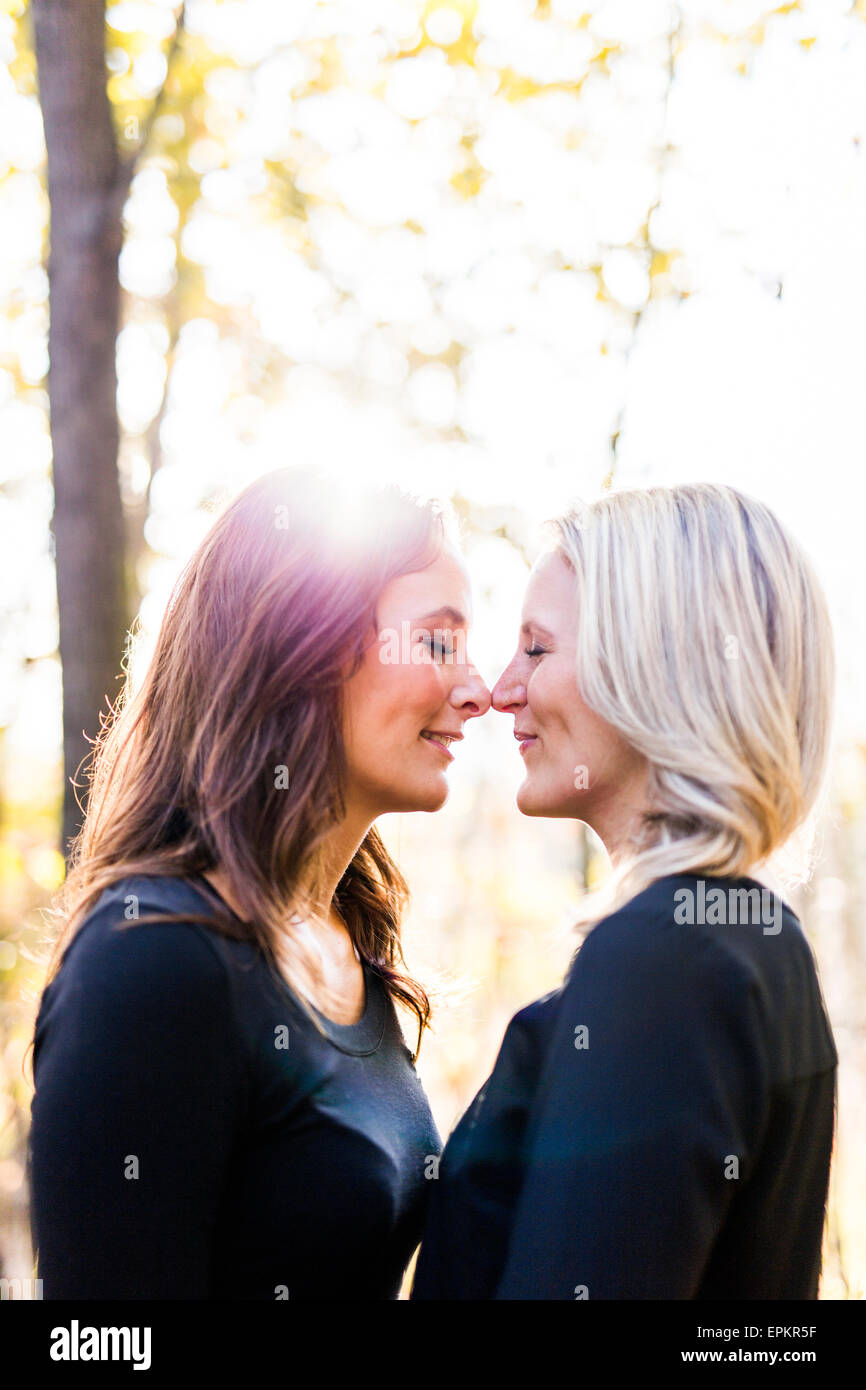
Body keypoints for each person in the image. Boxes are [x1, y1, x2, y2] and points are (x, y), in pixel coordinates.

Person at [28, 466, 491, 1300]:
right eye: (437, 642)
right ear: (302, 648)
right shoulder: (156, 963)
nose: (480, 689)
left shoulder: (352, 945)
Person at [412, 482, 838, 1300]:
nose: (501, 690)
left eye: (537, 649)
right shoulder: (747, 940)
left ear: (656, 667)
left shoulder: (665, 959)